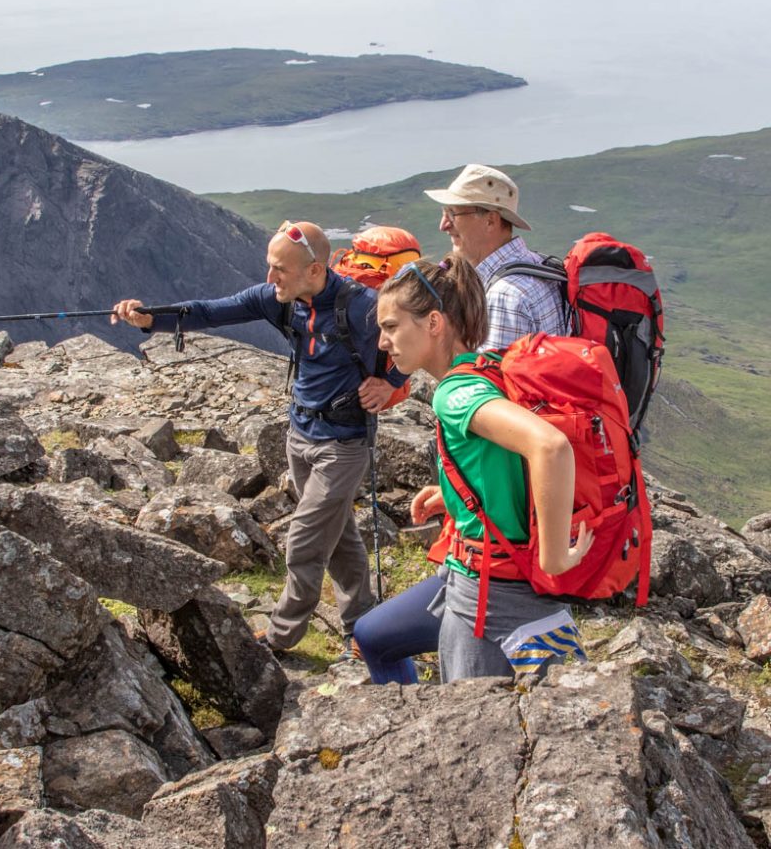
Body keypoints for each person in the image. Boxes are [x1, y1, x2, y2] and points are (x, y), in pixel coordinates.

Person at [111, 221, 407, 658]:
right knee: (339, 536)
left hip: (344, 445)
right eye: (270, 268)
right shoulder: (279, 299)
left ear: (315, 270)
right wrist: (152, 317)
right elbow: (211, 311)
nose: (270, 280)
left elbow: (408, 341)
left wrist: (391, 383)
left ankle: (280, 638)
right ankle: (362, 628)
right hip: (300, 434)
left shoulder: (363, 307)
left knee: (306, 540)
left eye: (279, 270)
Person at [352, 256, 592, 683]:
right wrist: (456, 495)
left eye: (391, 327)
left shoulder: (454, 393)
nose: (383, 342)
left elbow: (549, 446)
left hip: (491, 592)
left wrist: (554, 557)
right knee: (373, 634)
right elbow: (509, 461)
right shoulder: (488, 370)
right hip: (492, 577)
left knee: (471, 732)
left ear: (433, 323)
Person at [423, 164, 566, 350]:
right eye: (444, 213)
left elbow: (493, 377)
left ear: (490, 221)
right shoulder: (537, 263)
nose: (443, 225)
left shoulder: (504, 295)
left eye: (452, 213)